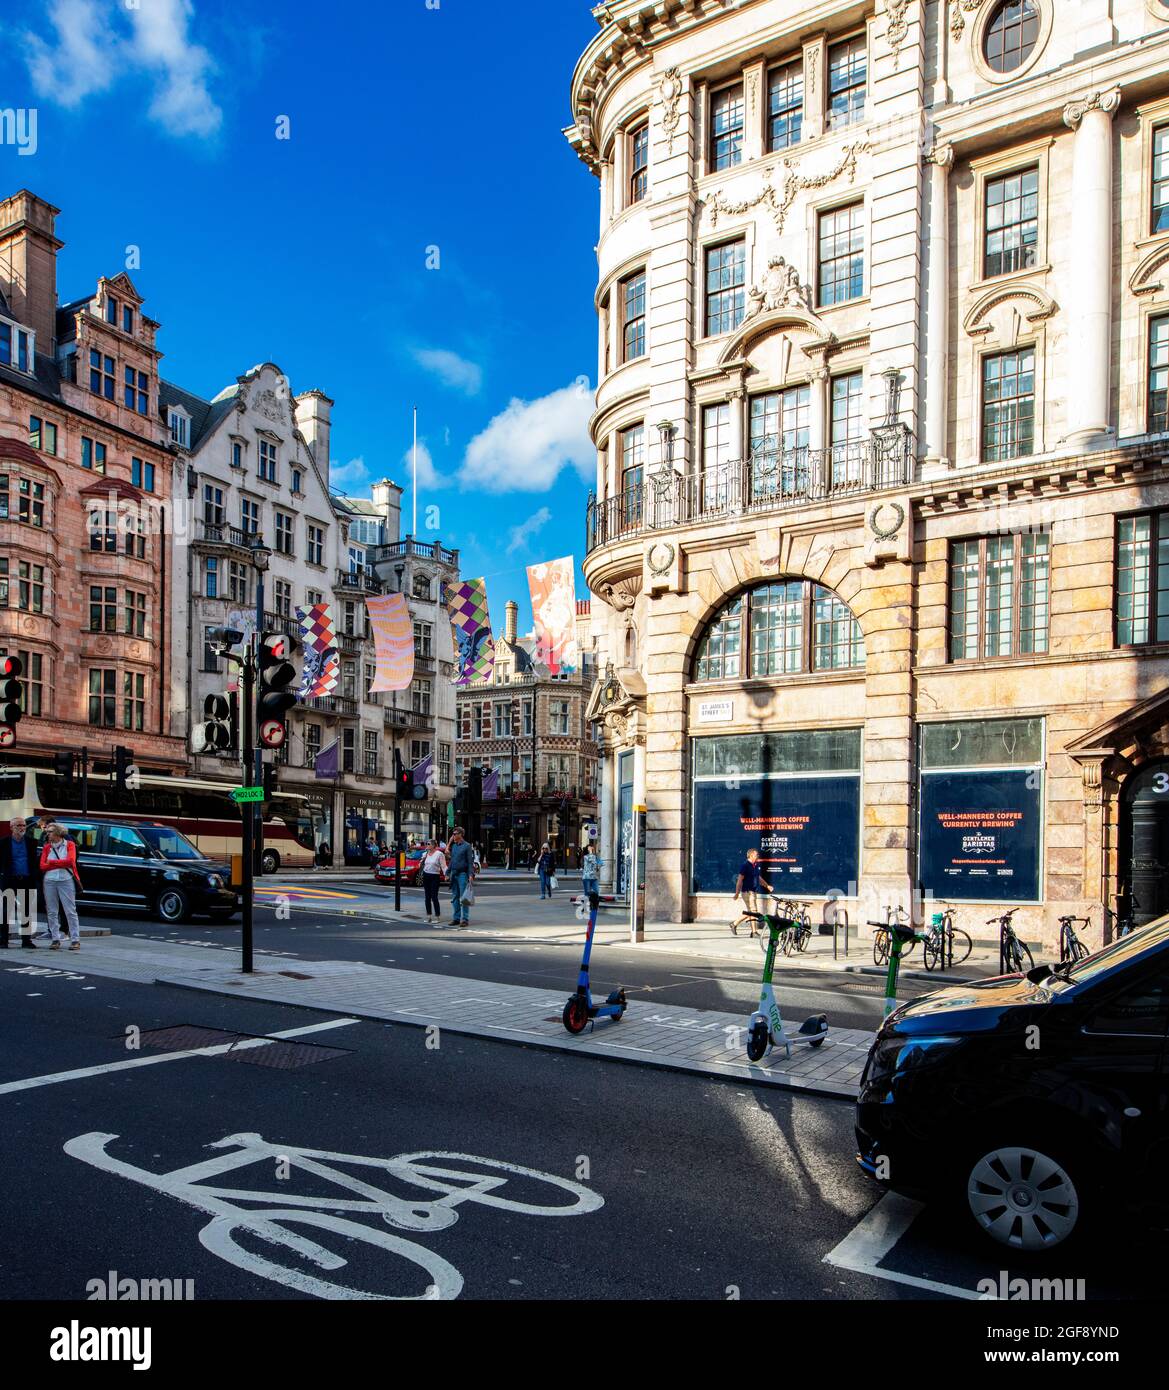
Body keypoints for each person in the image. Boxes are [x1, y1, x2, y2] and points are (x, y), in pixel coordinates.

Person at [40, 822, 83, 951]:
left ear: (59, 833)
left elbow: (70, 861)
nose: (47, 834)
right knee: (52, 911)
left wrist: (52, 862)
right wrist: (60, 864)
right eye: (47, 832)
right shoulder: (47, 847)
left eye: (50, 832)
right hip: (50, 880)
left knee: (70, 910)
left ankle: (75, 940)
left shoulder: (70, 845)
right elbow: (42, 866)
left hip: (66, 880)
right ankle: (55, 939)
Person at [0, 817, 40, 949]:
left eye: (23, 825)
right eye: (18, 825)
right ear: (11, 827)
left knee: (27, 911)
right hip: (10, 880)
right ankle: (3, 940)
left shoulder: (31, 842)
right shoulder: (4, 842)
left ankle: (26, 941)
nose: (22, 828)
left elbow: (35, 862)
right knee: (6, 911)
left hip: (27, 880)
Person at [732, 847, 772, 938]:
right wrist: (737, 893)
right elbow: (739, 880)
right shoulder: (745, 865)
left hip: (753, 892)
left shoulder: (755, 865)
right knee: (753, 911)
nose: (758, 856)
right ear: (751, 855)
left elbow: (759, 878)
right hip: (747, 892)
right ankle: (754, 932)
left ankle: (734, 924)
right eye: (756, 854)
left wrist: (767, 885)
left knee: (751, 912)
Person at [446, 826, 477, 927]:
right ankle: (456, 918)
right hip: (454, 874)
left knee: (464, 898)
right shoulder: (454, 846)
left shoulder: (467, 846)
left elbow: (469, 862)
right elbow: (452, 860)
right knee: (455, 897)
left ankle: (465, 919)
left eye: (455, 834)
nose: (453, 836)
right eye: (453, 834)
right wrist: (447, 872)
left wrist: (470, 875)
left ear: (460, 835)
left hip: (462, 874)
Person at [421, 838, 447, 925]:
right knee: (427, 897)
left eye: (428, 844)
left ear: (433, 845)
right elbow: (421, 864)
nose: (427, 845)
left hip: (435, 876)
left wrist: (446, 874)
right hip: (426, 875)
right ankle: (429, 916)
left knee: (434, 897)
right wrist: (422, 859)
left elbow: (443, 865)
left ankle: (437, 916)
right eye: (426, 844)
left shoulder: (439, 854)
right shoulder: (426, 854)